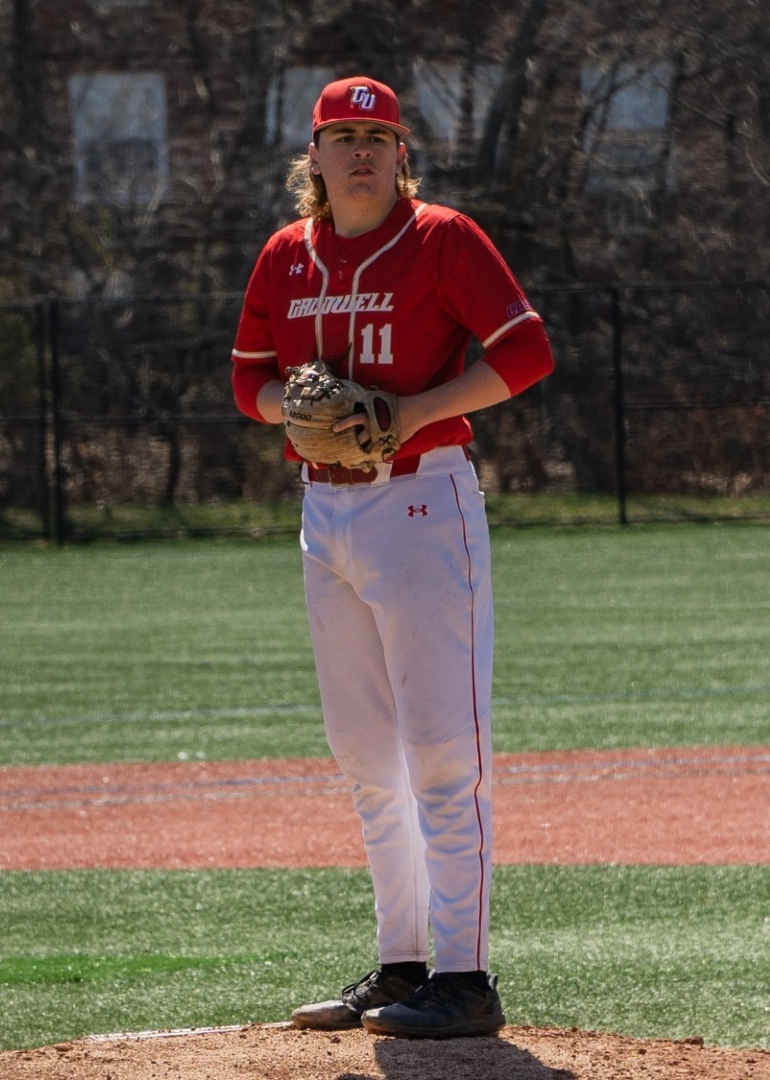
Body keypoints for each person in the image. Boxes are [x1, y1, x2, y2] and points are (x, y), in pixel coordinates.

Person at [229, 75, 555, 1040]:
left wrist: (407, 411)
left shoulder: (442, 238)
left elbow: (528, 352)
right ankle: (404, 960)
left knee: (444, 753)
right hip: (324, 515)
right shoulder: (286, 255)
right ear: (315, 158)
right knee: (367, 755)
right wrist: (295, 417)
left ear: (401, 153)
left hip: (422, 500)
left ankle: (466, 976)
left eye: (379, 135)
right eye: (344, 135)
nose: (361, 151)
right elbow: (247, 382)